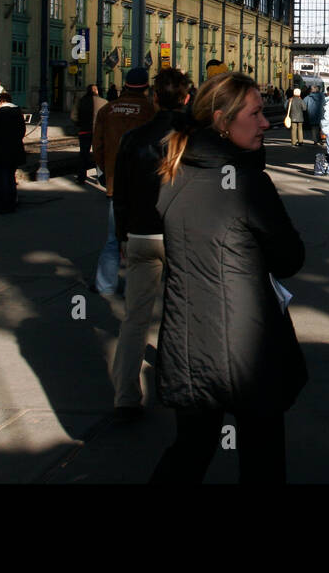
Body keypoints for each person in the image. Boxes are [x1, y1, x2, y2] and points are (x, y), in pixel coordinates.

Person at [150, 72, 306, 483]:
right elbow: (290, 258)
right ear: (222, 120)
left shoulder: (173, 174)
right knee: (262, 458)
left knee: (191, 450)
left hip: (188, 340)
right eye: (255, 114)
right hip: (247, 346)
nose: (265, 122)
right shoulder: (249, 185)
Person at [111, 68, 192, 418]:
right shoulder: (196, 138)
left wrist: (122, 236)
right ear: (187, 98)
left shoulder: (132, 138)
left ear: (154, 98)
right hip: (184, 239)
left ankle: (126, 398)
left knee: (134, 320)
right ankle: (178, 387)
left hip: (141, 236)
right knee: (182, 316)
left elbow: (120, 194)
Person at [91, 67, 156, 295]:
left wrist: (108, 169)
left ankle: (105, 285)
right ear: (146, 87)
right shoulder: (150, 110)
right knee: (139, 238)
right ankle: (136, 287)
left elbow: (97, 147)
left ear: (124, 85)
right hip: (143, 184)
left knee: (112, 239)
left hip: (114, 184)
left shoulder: (107, 110)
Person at [0, 91, 26, 214]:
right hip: (15, 150)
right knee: (11, 177)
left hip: (1, 150)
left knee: (2, 177)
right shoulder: (18, 113)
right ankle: (12, 203)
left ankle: (3, 205)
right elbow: (22, 132)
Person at [72, 83, 107, 184]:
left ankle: (81, 177)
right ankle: (101, 178)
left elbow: (73, 116)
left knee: (83, 155)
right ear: (96, 91)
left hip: (84, 131)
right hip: (98, 133)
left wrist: (79, 123)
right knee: (99, 155)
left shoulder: (80, 101)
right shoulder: (104, 102)